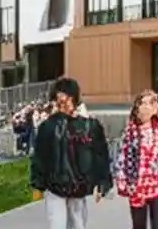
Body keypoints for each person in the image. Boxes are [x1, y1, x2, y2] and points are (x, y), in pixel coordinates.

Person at [29, 77, 112, 229]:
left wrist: (102, 183)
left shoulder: (89, 125)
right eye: (58, 96)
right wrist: (37, 183)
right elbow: (40, 156)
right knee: (58, 224)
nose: (61, 100)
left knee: (78, 223)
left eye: (65, 96)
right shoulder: (48, 126)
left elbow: (100, 155)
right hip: (55, 186)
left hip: (79, 186)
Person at [115, 89, 158, 229]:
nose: (146, 107)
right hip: (137, 184)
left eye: (150, 103)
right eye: (143, 103)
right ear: (137, 107)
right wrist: (122, 181)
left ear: (155, 107)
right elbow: (122, 158)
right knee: (138, 225)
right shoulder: (130, 131)